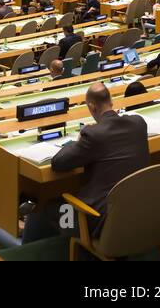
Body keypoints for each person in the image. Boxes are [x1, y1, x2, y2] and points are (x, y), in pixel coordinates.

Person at [50, 83, 149, 225]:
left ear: (92, 107)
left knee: (50, 208)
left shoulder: (93, 135)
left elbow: (58, 163)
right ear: (111, 101)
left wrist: (78, 141)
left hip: (101, 217)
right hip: (139, 206)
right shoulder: (139, 123)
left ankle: (74, 244)